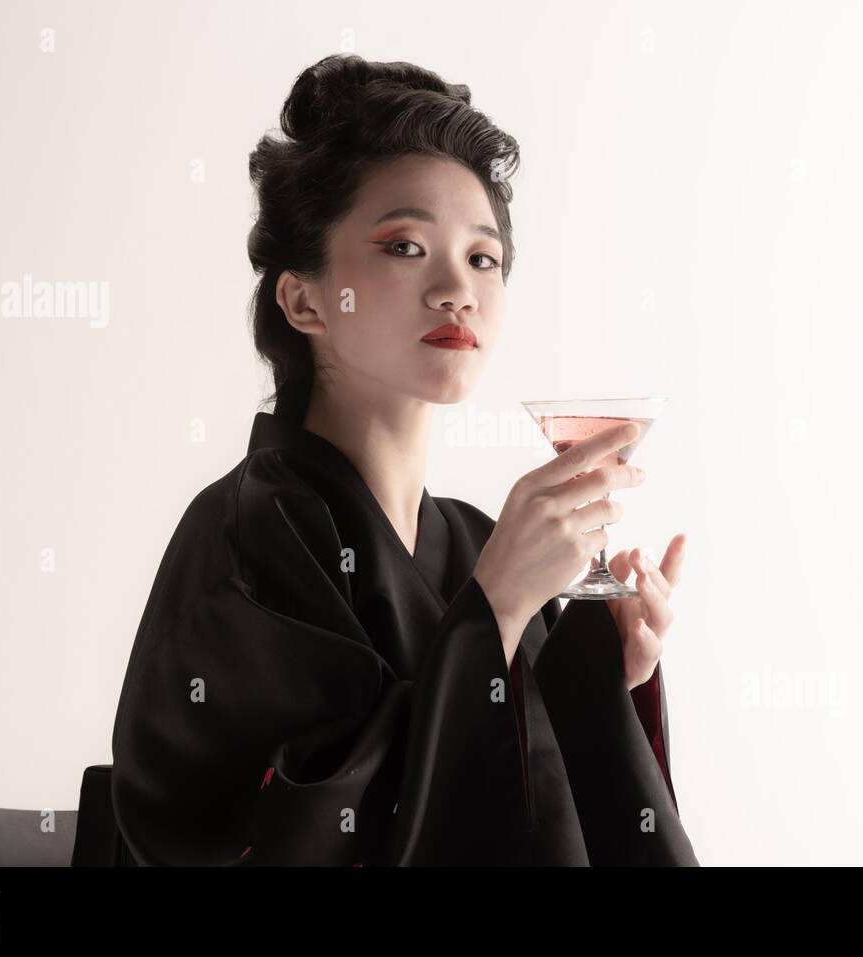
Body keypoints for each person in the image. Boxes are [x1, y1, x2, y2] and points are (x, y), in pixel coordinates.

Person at [109, 53, 697, 866]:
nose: (457, 287)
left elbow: (544, 805)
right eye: (405, 246)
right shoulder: (246, 534)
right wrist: (492, 609)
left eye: (483, 258)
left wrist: (607, 680)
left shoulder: (471, 540)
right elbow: (303, 833)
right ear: (304, 298)